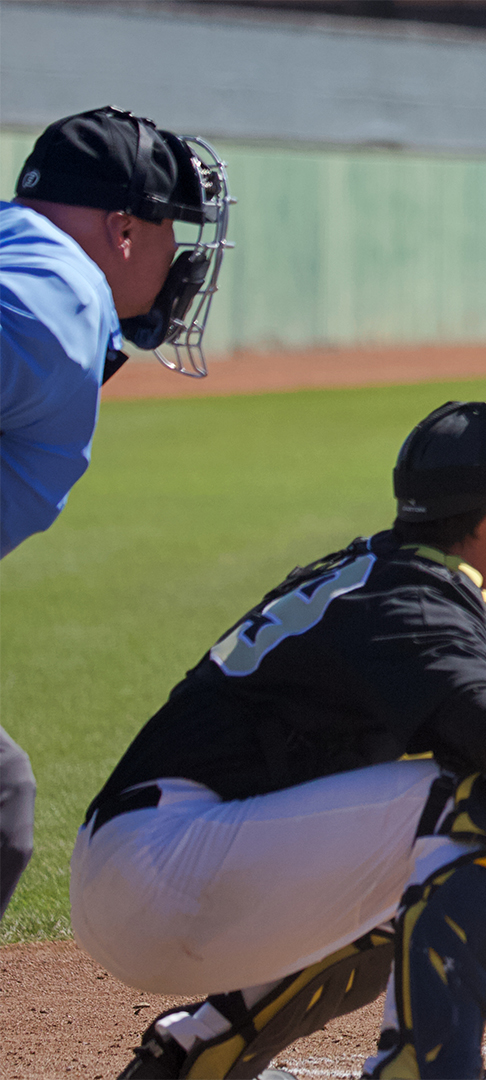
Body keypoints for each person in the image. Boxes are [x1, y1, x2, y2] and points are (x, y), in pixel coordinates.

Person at [73, 399, 486, 1079]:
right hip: (167, 867)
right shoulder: (415, 612)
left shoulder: (395, 580)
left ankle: (198, 1054)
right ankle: (422, 1070)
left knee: (420, 876)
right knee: (480, 799)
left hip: (154, 866)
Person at [0, 106, 232, 927]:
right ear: (124, 229)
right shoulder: (51, 296)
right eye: (175, 233)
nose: (183, 262)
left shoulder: (26, 262)